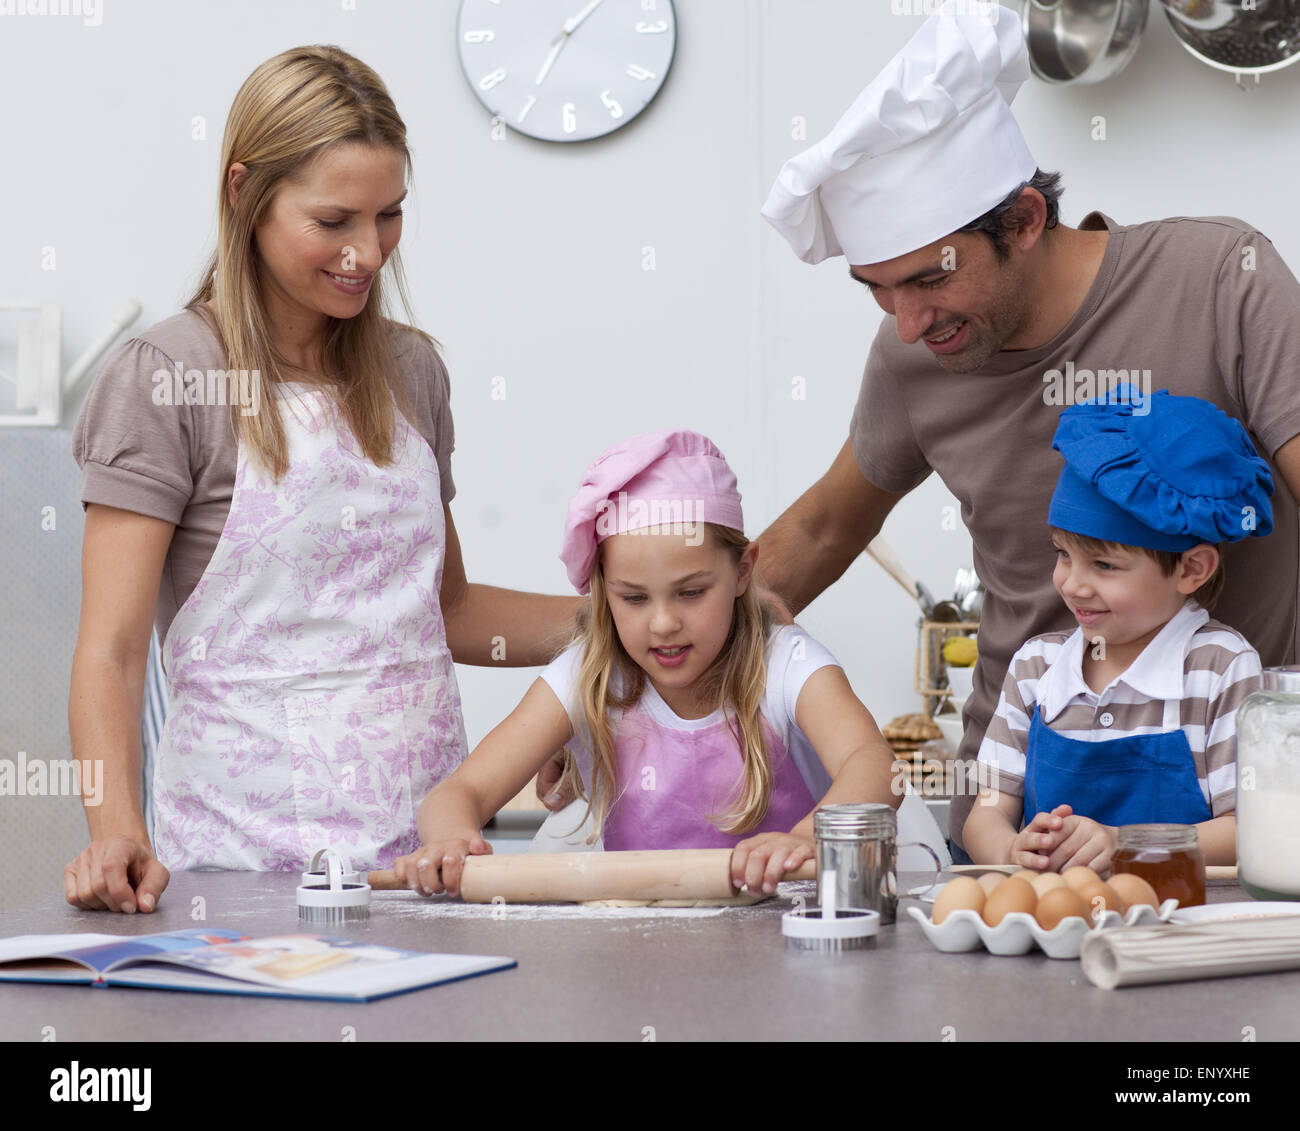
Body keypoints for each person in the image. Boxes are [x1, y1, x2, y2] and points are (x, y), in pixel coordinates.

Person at [753, 1, 1300, 863]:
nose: (906, 323)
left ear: (1024, 220)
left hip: (1230, 818)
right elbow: (825, 525)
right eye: (876, 289)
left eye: (927, 278)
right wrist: (611, 684)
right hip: (1015, 819)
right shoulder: (915, 356)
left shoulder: (1219, 280)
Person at [66, 46, 578, 914]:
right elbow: (109, 653)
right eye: (333, 220)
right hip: (237, 873)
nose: (367, 253)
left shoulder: (411, 372)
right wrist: (114, 829)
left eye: (389, 216)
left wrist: (621, 623)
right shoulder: (168, 376)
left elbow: (444, 608)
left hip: (423, 866)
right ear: (244, 195)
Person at [393, 430, 908, 898]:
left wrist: (804, 841)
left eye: (691, 592)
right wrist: (450, 838)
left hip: (792, 932)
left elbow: (877, 765)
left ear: (744, 571)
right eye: (634, 599)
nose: (663, 623)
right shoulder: (588, 675)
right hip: (645, 948)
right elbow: (462, 791)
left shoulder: (786, 664)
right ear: (602, 592)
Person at [963, 390, 1270, 871]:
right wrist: (1009, 849)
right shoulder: (1036, 666)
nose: (1072, 584)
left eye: (1104, 565)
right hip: (1056, 929)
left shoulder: (1220, 667)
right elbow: (986, 810)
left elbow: (1250, 828)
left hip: (1182, 926)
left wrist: (1127, 842)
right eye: (1063, 554)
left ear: (1192, 569)